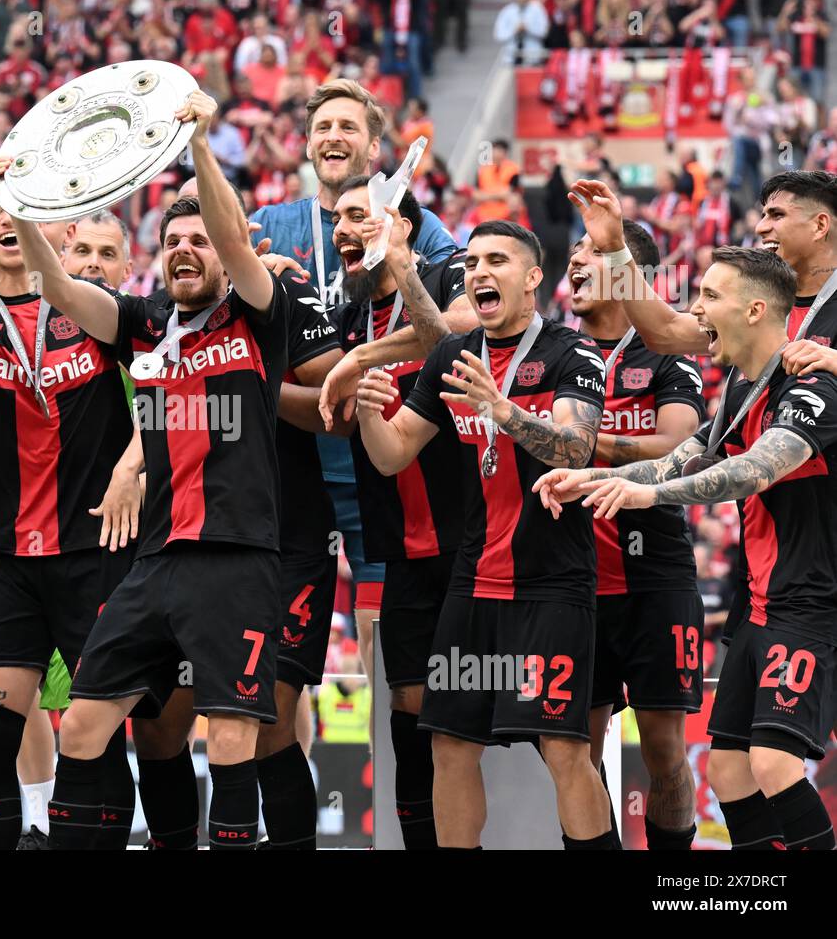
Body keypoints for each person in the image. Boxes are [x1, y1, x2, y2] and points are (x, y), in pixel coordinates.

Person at [4, 91, 323, 850]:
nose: (186, 249)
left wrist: (202, 147)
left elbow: (236, 247)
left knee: (234, 739)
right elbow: (57, 288)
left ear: (225, 245)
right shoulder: (147, 323)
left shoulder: (259, 313)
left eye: (200, 239)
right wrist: (15, 207)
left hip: (238, 558)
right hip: (154, 563)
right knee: (83, 724)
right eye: (173, 239)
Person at [537, 245, 837, 851]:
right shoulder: (742, 388)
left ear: (754, 310)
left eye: (709, 297)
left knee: (775, 764)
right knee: (728, 771)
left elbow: (754, 469)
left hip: (813, 603)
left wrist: (650, 497)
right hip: (761, 606)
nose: (695, 311)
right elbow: (685, 457)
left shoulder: (813, 383)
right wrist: (592, 480)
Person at [355, 219, 614, 849]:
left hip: (551, 582)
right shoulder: (452, 354)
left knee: (561, 746)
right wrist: (368, 413)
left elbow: (576, 451)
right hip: (474, 584)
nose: (478, 271)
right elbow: (393, 456)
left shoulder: (569, 352)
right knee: (449, 745)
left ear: (532, 279)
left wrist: (503, 409)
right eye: (471, 262)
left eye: (497, 260)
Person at [0, 153, 137, 852]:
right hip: (9, 561)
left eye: (29, 216)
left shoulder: (91, 309)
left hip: (94, 559)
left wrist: (19, 207)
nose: (10, 227)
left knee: (97, 740)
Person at [250, 79, 458, 716]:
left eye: (349, 127)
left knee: (381, 653)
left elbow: (446, 327)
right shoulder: (269, 223)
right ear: (307, 144)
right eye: (323, 127)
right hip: (299, 460)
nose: (333, 137)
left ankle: (386, 807)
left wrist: (360, 358)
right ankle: (303, 789)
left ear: (373, 148)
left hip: (388, 456)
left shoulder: (410, 221)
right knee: (288, 669)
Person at [328, 180, 465, 849]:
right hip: (399, 549)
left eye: (359, 215)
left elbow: (454, 340)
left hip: (477, 543)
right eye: (337, 219)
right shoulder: (348, 311)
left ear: (403, 224)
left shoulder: (454, 270)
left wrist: (359, 358)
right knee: (410, 714)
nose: (343, 228)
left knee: (535, 726)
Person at [563, 219, 707, 850]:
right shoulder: (554, 353)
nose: (575, 259)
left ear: (629, 274)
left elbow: (679, 446)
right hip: (571, 580)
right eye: (573, 250)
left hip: (656, 577)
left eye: (592, 252)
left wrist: (587, 444)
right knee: (575, 754)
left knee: (665, 750)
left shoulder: (665, 352)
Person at [494, 0, 550, 66]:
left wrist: (528, 28)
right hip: (510, 59)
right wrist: (514, 30)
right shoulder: (507, 11)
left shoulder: (538, 9)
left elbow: (544, 32)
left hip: (532, 58)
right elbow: (499, 35)